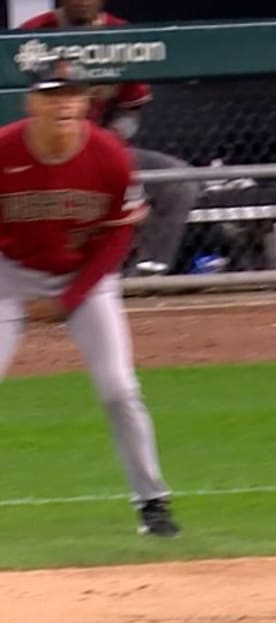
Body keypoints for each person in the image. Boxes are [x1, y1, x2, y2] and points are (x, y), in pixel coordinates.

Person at [0, 55, 180, 538]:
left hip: (85, 276)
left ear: (86, 103)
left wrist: (71, 297)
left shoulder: (108, 155)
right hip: (9, 274)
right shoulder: (3, 150)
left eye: (72, 95)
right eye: (52, 95)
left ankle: (153, 503)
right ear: (31, 101)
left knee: (119, 388)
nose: (63, 104)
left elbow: (118, 236)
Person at [20, 1, 199, 275]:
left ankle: (147, 274)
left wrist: (109, 141)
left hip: (101, 148)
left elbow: (130, 109)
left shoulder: (119, 33)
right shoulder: (33, 33)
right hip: (45, 153)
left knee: (179, 181)